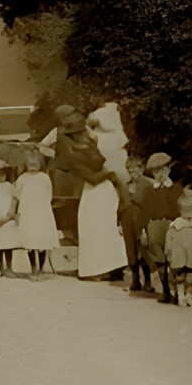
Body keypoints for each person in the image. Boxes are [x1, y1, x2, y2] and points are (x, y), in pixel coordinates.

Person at [57, 111, 129, 280]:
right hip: (95, 188)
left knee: (103, 228)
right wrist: (109, 173)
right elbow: (92, 176)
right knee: (94, 227)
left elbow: (99, 166)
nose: (83, 134)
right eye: (79, 132)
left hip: (101, 191)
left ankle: (111, 268)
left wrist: (108, 173)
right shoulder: (74, 152)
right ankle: (98, 269)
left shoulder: (89, 144)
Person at [136, 152, 182, 303]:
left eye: (162, 170)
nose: (159, 174)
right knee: (160, 260)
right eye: (156, 171)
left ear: (169, 169)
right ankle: (166, 291)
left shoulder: (176, 189)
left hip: (172, 225)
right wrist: (142, 229)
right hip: (154, 225)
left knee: (173, 260)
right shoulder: (149, 190)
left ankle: (175, 292)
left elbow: (180, 209)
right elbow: (143, 211)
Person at [41, 105, 83, 245]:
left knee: (79, 203)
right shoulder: (56, 131)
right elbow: (42, 146)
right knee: (63, 204)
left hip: (78, 172)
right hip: (62, 174)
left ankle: (78, 235)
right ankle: (66, 234)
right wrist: (56, 155)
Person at [14, 148, 58, 281]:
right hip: (27, 212)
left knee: (42, 241)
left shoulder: (45, 178)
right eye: (30, 166)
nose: (32, 169)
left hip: (42, 212)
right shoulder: (22, 179)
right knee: (30, 242)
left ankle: (40, 269)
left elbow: (49, 196)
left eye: (35, 166)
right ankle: (33, 269)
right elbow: (17, 195)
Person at [121, 155, 154, 292]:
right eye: (130, 171)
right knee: (130, 250)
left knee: (143, 250)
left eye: (134, 171)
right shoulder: (126, 185)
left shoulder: (149, 184)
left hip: (142, 220)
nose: (132, 174)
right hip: (127, 220)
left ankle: (147, 281)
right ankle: (135, 280)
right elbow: (121, 205)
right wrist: (118, 223)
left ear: (141, 169)